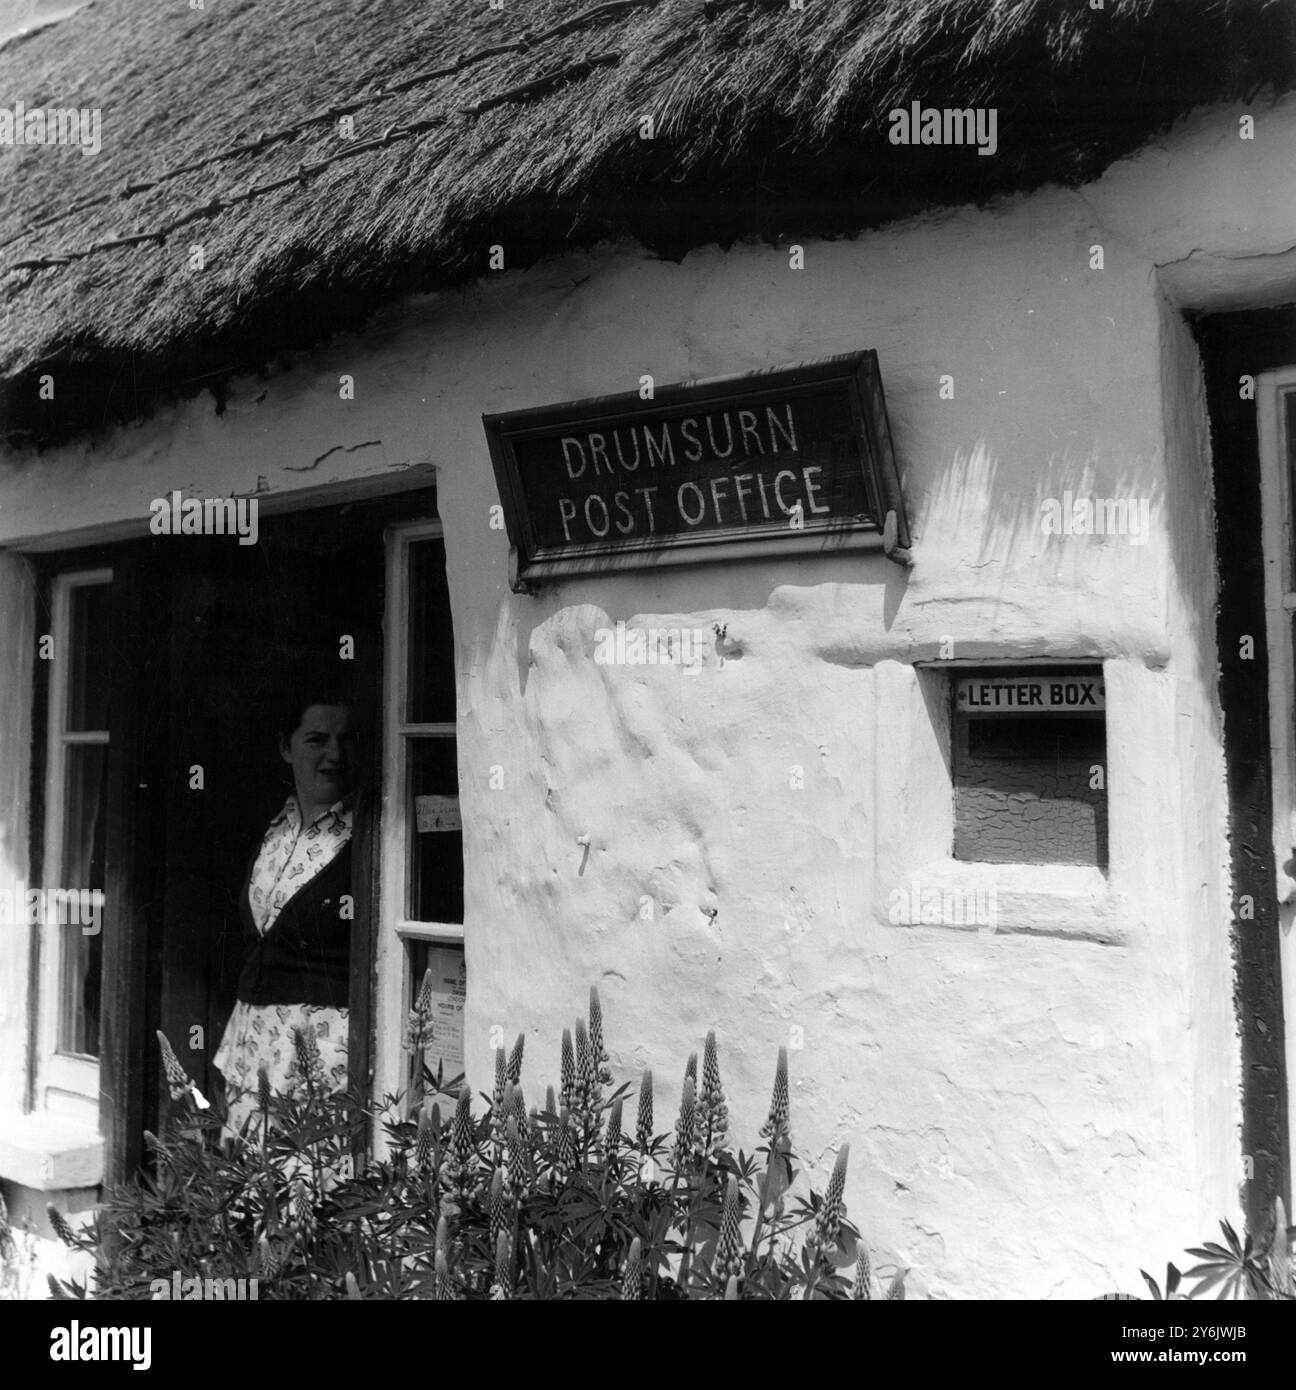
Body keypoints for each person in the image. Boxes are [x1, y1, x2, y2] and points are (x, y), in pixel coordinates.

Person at [213, 683, 357, 1139]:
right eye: (317, 740)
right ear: (285, 747)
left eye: (344, 740)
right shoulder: (274, 827)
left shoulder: (367, 836)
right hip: (253, 1053)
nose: (334, 754)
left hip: (322, 1062)